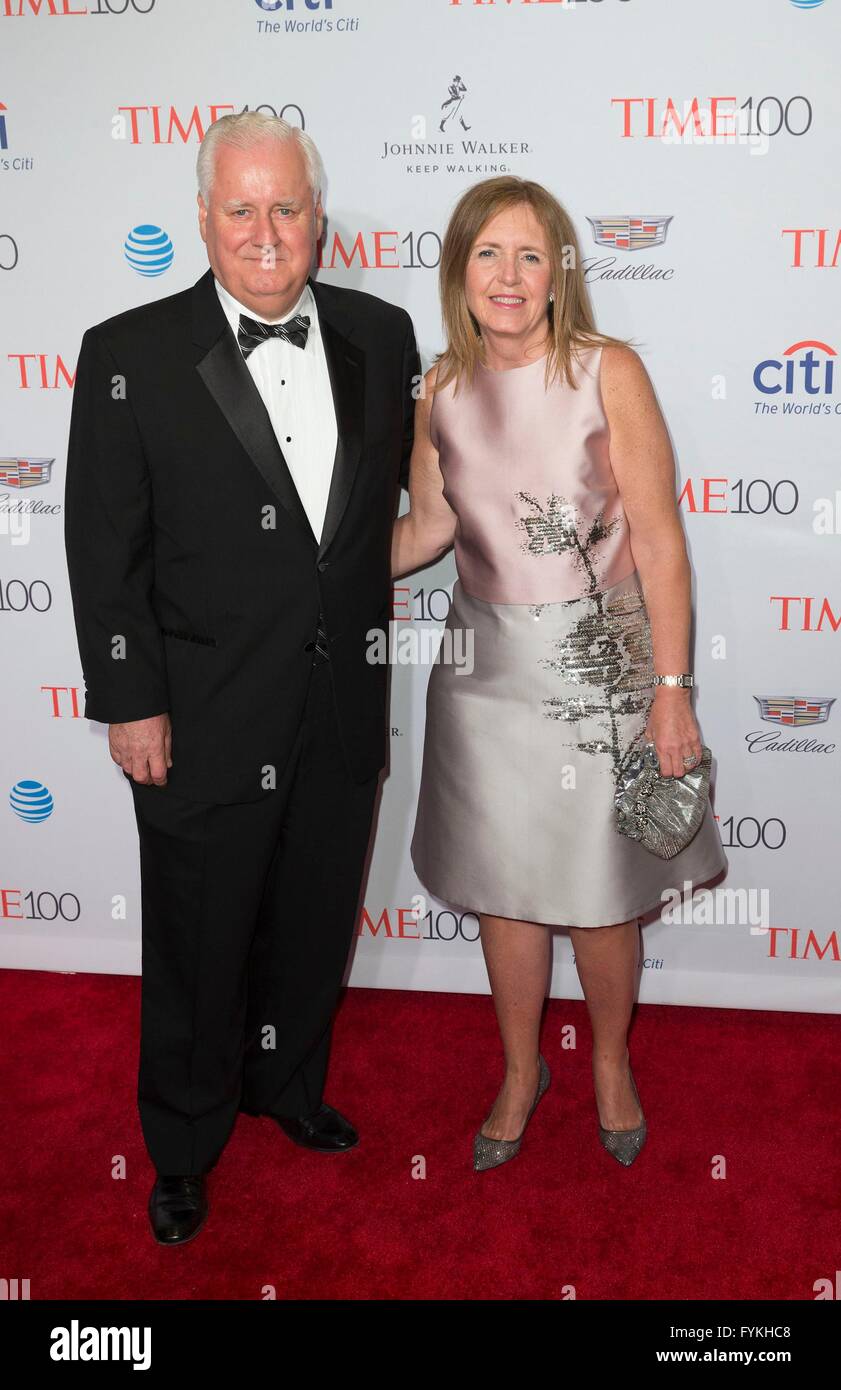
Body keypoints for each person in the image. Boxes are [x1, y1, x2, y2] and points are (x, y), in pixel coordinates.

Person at [65, 112, 420, 1243]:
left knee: (313, 919)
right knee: (196, 937)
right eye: (241, 209)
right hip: (200, 711)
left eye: (287, 208)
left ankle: (288, 1088)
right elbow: (102, 546)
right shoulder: (128, 353)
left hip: (337, 704)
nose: (266, 232)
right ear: (203, 219)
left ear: (319, 219)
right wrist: (130, 701)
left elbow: (376, 524)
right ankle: (181, 1141)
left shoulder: (382, 331)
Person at [392, 176, 727, 1173]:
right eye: (487, 253)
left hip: (603, 676)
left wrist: (672, 691)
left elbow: (662, 544)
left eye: (529, 255)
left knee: (601, 892)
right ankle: (518, 1069)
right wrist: (300, 568)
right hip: (484, 677)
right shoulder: (437, 390)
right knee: (504, 891)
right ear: (458, 269)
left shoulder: (603, 370)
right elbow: (430, 527)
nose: (508, 274)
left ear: (558, 274)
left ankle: (611, 1064)